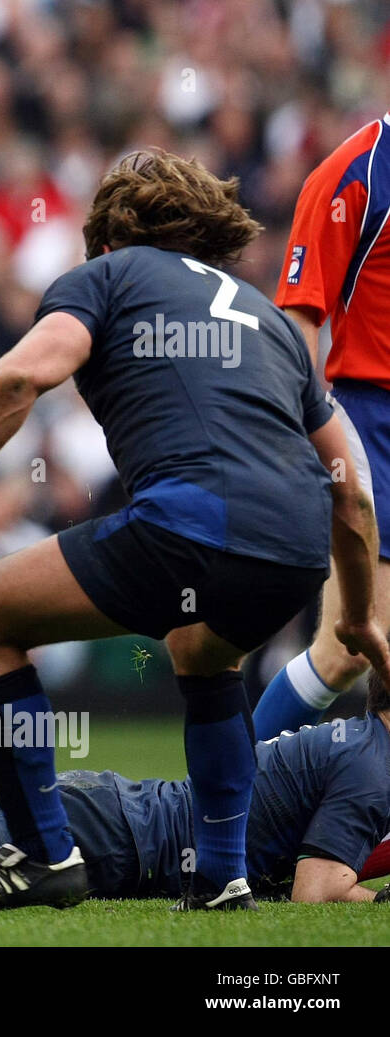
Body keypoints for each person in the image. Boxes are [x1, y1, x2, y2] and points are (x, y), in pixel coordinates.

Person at [0, 149, 390, 910]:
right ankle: (220, 874)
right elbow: (355, 494)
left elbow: (19, 377)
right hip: (296, 551)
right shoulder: (266, 318)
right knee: (201, 649)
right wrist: (362, 614)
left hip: (194, 526)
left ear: (105, 240)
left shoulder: (108, 276)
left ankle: (44, 855)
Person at [0, 671, 390, 907]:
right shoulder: (373, 767)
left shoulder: (361, 745)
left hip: (117, 821)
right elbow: (317, 892)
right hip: (110, 834)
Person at [253, 114, 390, 742]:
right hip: (372, 424)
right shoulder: (351, 175)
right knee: (352, 650)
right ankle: (220, 806)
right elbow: (300, 319)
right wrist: (305, 433)